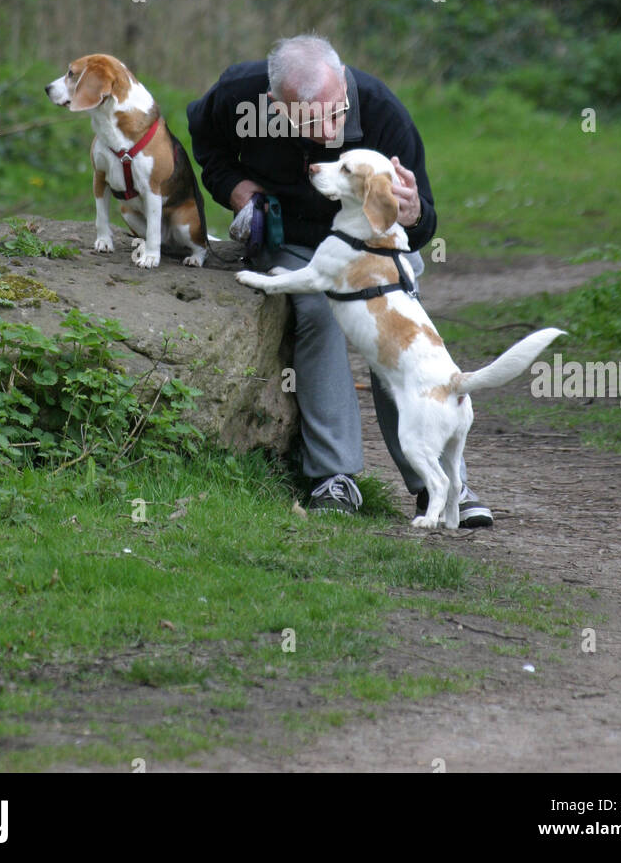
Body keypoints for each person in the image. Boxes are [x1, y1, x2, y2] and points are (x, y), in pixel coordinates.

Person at [187, 34, 492, 526]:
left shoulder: (380, 110)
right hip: (297, 240)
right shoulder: (238, 94)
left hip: (376, 247)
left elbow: (424, 222)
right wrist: (233, 187)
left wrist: (413, 212)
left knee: (390, 323)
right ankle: (334, 476)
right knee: (318, 311)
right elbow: (205, 142)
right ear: (274, 106)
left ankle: (439, 483)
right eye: (313, 122)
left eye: (336, 114)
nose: (330, 132)